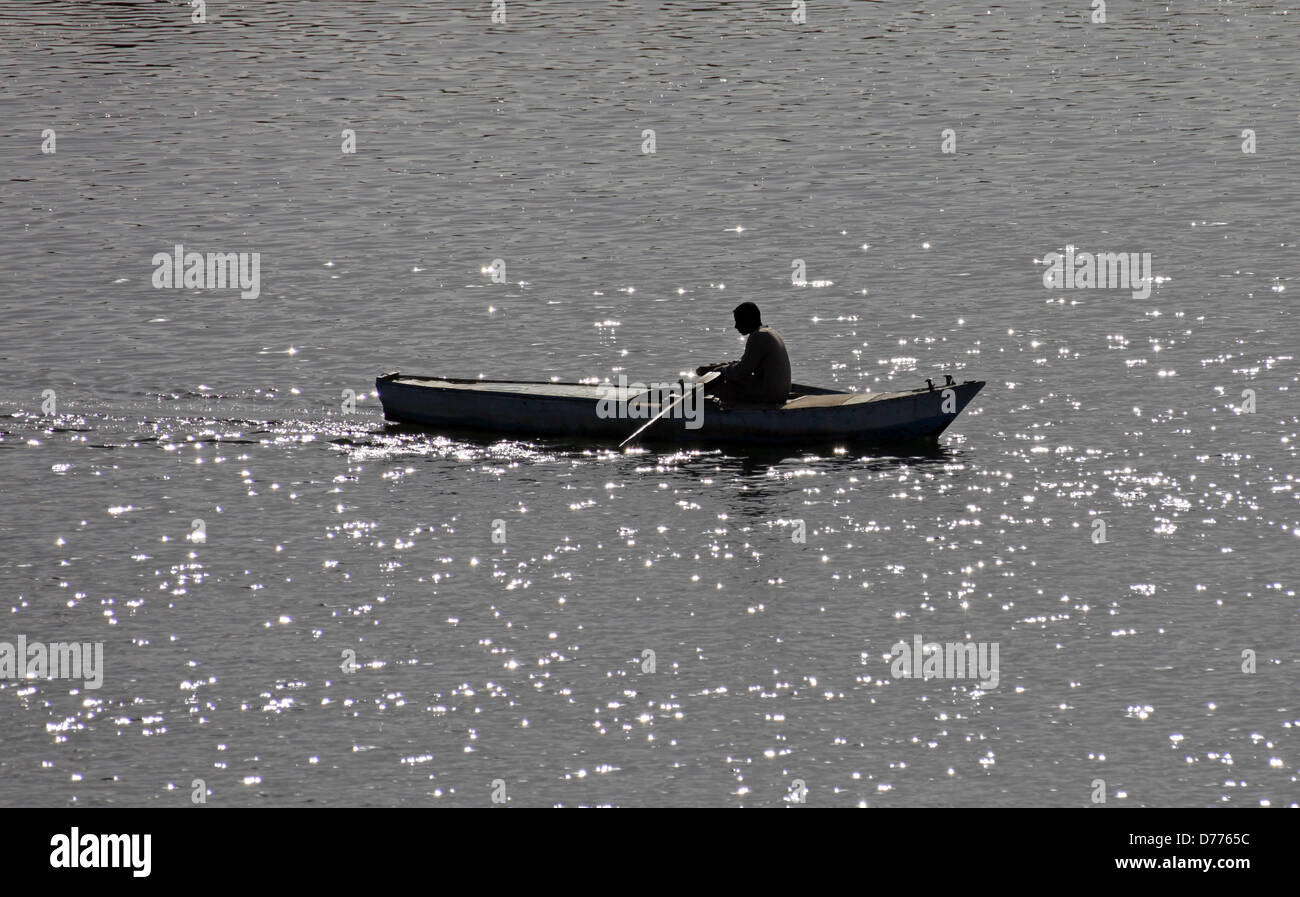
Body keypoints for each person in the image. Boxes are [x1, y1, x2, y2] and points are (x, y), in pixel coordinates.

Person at [696, 302, 791, 405]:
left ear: (748, 319)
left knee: (716, 388)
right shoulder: (769, 332)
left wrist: (722, 371)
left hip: (771, 395)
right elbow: (746, 363)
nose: (736, 326)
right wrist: (720, 366)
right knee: (731, 379)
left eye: (738, 321)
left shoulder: (758, 337)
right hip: (781, 393)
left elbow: (740, 372)